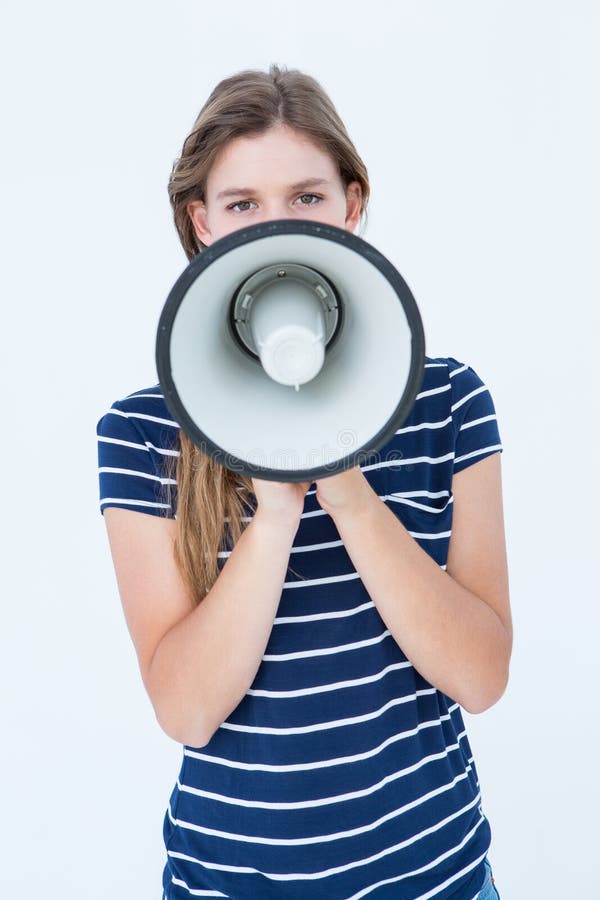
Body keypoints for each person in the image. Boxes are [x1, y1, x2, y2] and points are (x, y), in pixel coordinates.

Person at [97, 63, 510, 900]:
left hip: (438, 880)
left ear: (352, 206)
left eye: (308, 197)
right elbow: (186, 710)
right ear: (202, 222)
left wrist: (347, 484)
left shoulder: (450, 402)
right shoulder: (142, 434)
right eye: (243, 204)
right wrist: (277, 506)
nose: (275, 225)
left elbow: (480, 675)